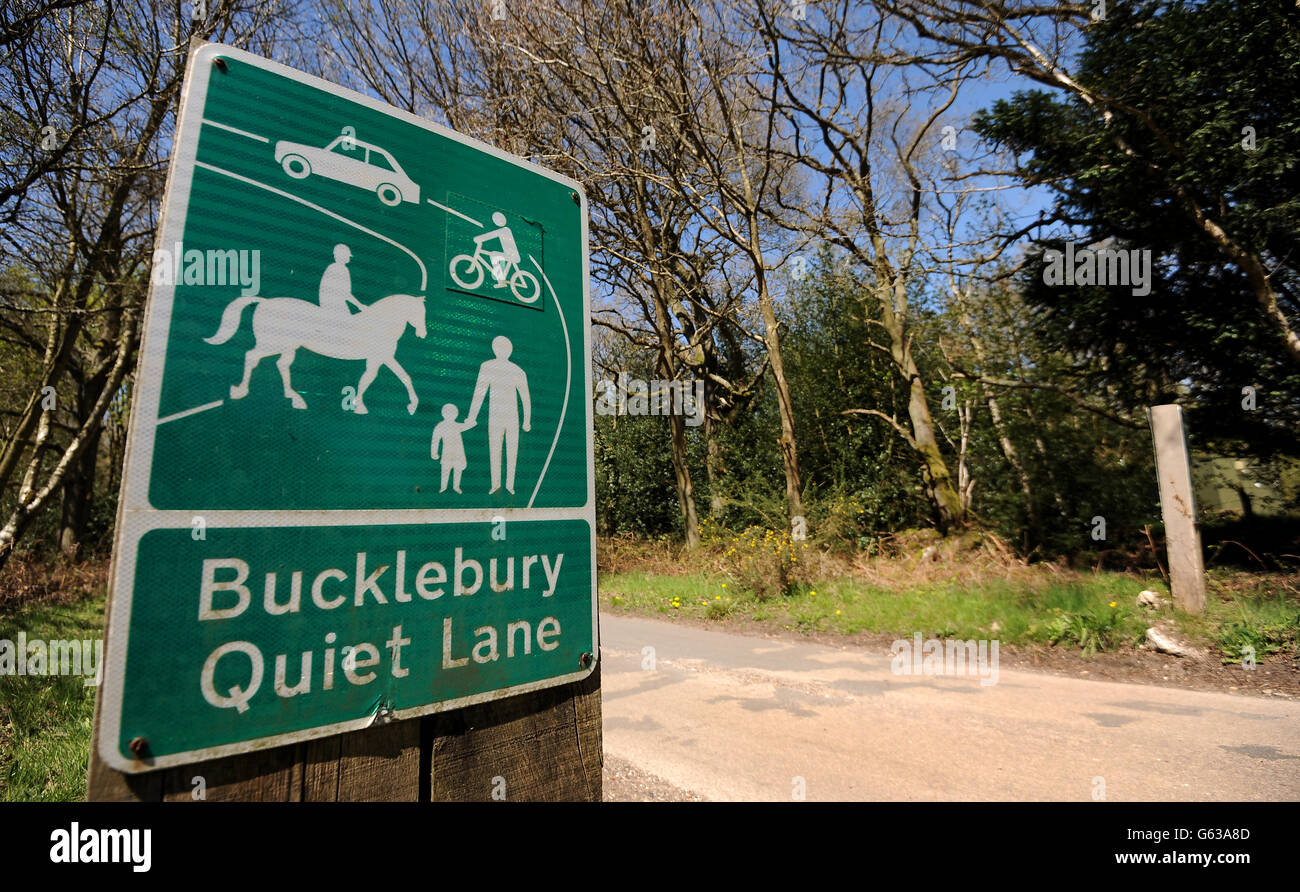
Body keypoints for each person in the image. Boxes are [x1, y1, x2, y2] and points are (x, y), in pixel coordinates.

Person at [465, 335, 530, 494]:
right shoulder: (487, 367)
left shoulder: (517, 371)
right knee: (495, 450)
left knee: (511, 450)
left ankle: (509, 485)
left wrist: (526, 420)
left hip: (511, 417)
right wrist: (472, 416)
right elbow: (479, 393)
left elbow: (525, 398)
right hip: (495, 416)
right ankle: (496, 485)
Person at [431, 403, 473, 494]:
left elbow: (468, 425)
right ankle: (443, 487)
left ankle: (456, 487)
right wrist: (434, 452)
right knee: (445, 470)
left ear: (456, 414)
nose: (450, 415)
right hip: (447, 453)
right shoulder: (440, 426)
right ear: (443, 413)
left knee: (458, 470)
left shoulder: (457, 425)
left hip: (458, 453)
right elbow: (435, 440)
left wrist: (470, 421)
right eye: (448, 412)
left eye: (453, 413)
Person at [473, 212, 520, 288]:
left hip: (513, 255)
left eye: (497, 219)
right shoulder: (502, 230)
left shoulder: (504, 230)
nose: (495, 221)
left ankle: (501, 281)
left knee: (494, 254)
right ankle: (500, 278)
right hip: (509, 254)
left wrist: (479, 238)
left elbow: (491, 235)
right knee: (494, 254)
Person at [319, 244, 366, 318]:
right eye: (347, 255)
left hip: (327, 305)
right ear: (343, 256)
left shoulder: (332, 267)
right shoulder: (342, 269)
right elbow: (345, 293)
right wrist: (360, 305)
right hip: (334, 306)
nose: (349, 257)